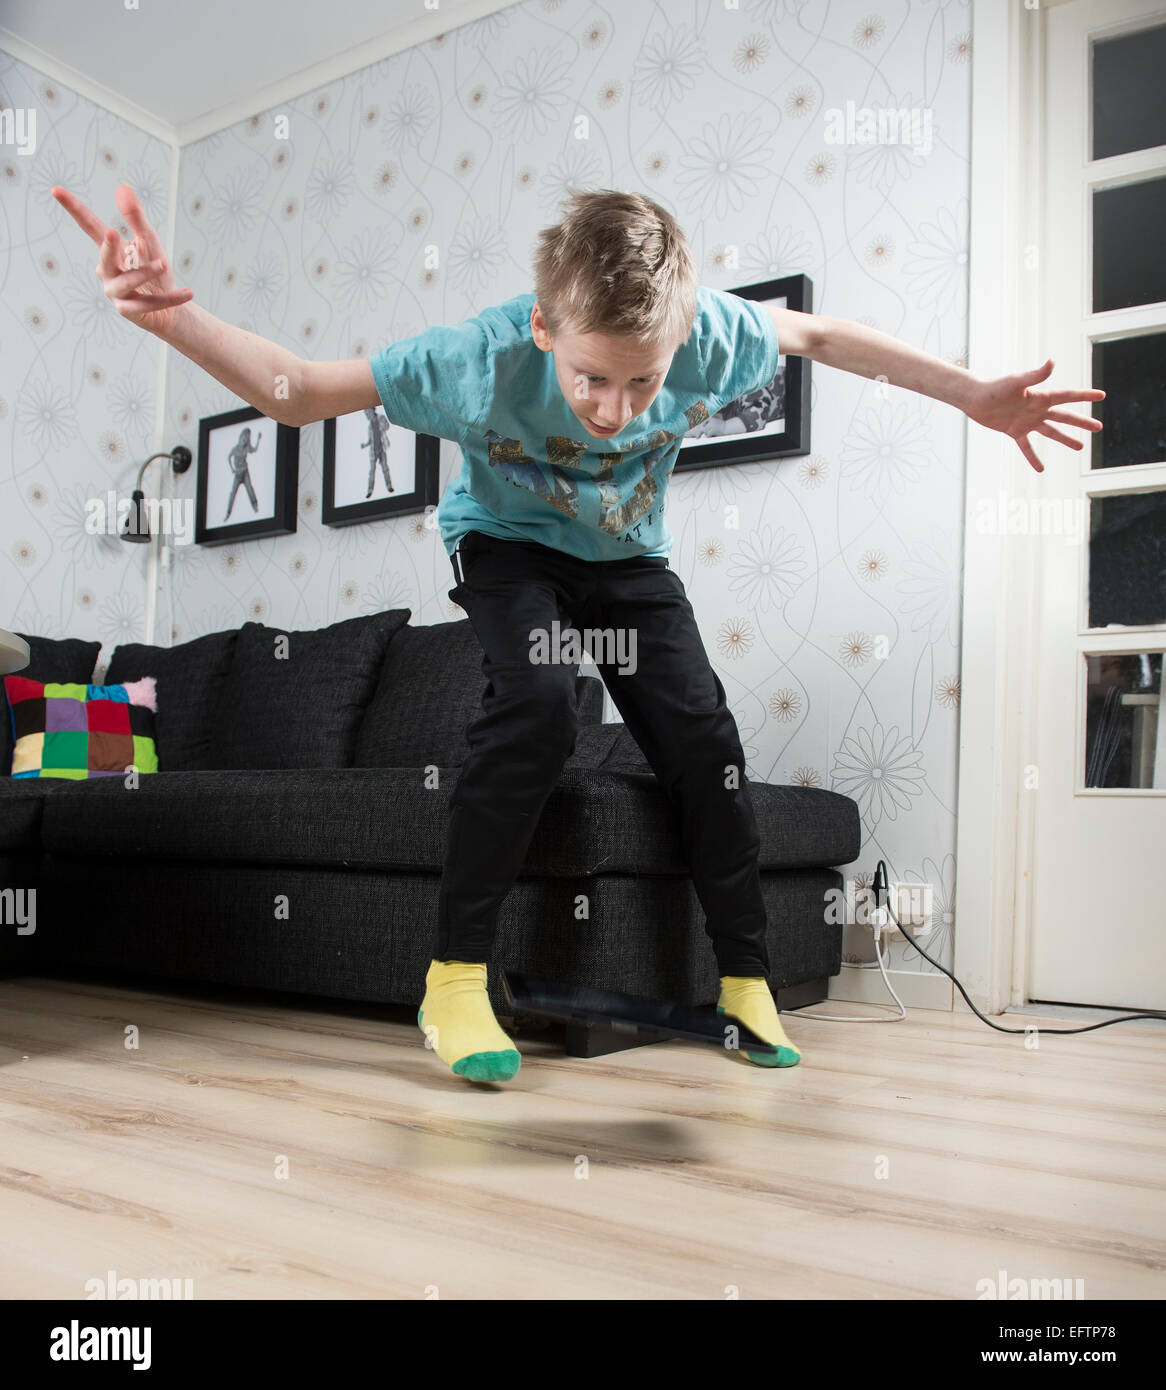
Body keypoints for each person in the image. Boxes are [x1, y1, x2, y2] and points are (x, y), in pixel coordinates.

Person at [53, 182, 1104, 1085]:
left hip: (628, 562)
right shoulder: (475, 358)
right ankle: (455, 980)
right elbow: (305, 394)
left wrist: (973, 395)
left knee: (703, 746)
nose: (612, 408)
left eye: (640, 381)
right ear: (545, 331)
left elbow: (820, 337)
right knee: (541, 707)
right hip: (508, 550)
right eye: (589, 377)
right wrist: (168, 323)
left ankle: (742, 982)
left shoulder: (710, 336)